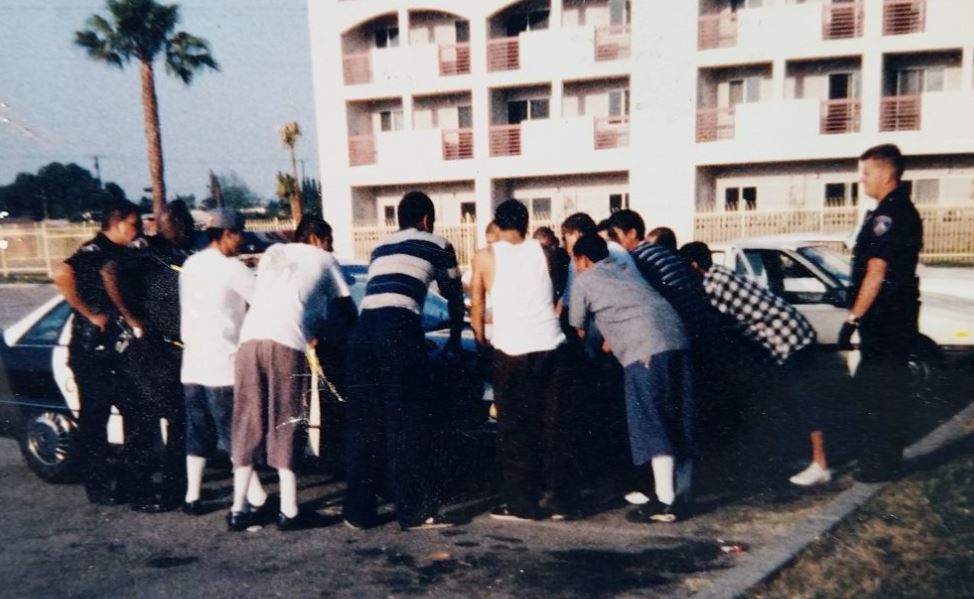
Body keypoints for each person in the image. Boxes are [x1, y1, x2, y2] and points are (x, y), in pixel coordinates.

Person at [343, 190, 465, 531]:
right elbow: (454, 298)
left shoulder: (380, 247)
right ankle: (414, 511)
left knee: (365, 425)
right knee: (406, 422)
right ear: (426, 219)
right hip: (398, 330)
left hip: (362, 331)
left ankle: (357, 511)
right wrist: (454, 341)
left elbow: (383, 297)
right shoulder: (437, 243)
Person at [228, 218, 350, 531]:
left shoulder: (273, 252)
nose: (332, 246)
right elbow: (346, 310)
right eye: (330, 239)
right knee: (287, 420)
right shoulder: (325, 259)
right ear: (316, 238)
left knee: (247, 420)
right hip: (286, 344)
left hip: (249, 341)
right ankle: (289, 510)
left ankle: (238, 509)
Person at [680, 241, 830, 487]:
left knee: (803, 400)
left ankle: (820, 463)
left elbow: (715, 326)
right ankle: (806, 458)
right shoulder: (721, 274)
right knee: (788, 402)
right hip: (791, 333)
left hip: (788, 339)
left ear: (694, 266)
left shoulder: (713, 285)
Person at [570, 234, 695, 522]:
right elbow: (630, 311)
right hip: (677, 338)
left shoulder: (584, 281)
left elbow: (577, 328)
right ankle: (685, 492)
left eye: (575, 261)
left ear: (582, 260)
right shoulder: (626, 270)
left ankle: (664, 502)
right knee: (680, 417)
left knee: (651, 421)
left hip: (644, 349)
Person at [470, 199, 576, 521]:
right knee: (553, 425)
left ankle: (522, 503)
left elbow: (476, 303)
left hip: (511, 351)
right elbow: (556, 294)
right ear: (527, 224)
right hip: (550, 346)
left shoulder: (485, 256)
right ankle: (561, 500)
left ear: (497, 226)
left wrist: (480, 340)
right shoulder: (544, 252)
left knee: (514, 429)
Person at [102, 200, 196, 511]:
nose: (188, 230)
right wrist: (130, 317)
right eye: (183, 224)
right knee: (146, 425)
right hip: (151, 349)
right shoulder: (145, 251)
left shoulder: (181, 253)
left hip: (176, 350)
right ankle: (140, 492)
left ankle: (173, 490)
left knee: (179, 422)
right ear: (174, 225)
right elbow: (109, 270)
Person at [840, 143, 923, 483]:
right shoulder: (898, 210)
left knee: (880, 391)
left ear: (887, 173)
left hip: (886, 318)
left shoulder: (889, 215)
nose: (863, 180)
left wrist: (854, 317)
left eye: (867, 173)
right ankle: (881, 459)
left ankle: (880, 463)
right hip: (895, 316)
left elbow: (876, 272)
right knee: (883, 389)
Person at [178, 208, 267, 516]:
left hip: (192, 362)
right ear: (229, 233)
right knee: (235, 433)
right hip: (224, 361)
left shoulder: (191, 264)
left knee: (198, 430)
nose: (242, 240)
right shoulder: (232, 269)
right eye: (240, 233)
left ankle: (192, 496)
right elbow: (264, 301)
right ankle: (255, 498)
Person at [53, 200, 142, 505]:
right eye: (134, 223)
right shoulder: (95, 252)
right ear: (116, 224)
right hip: (93, 350)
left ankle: (131, 481)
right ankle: (98, 485)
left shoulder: (124, 252)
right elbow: (61, 273)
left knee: (135, 412)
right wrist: (89, 313)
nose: (138, 229)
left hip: (118, 351)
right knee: (95, 418)